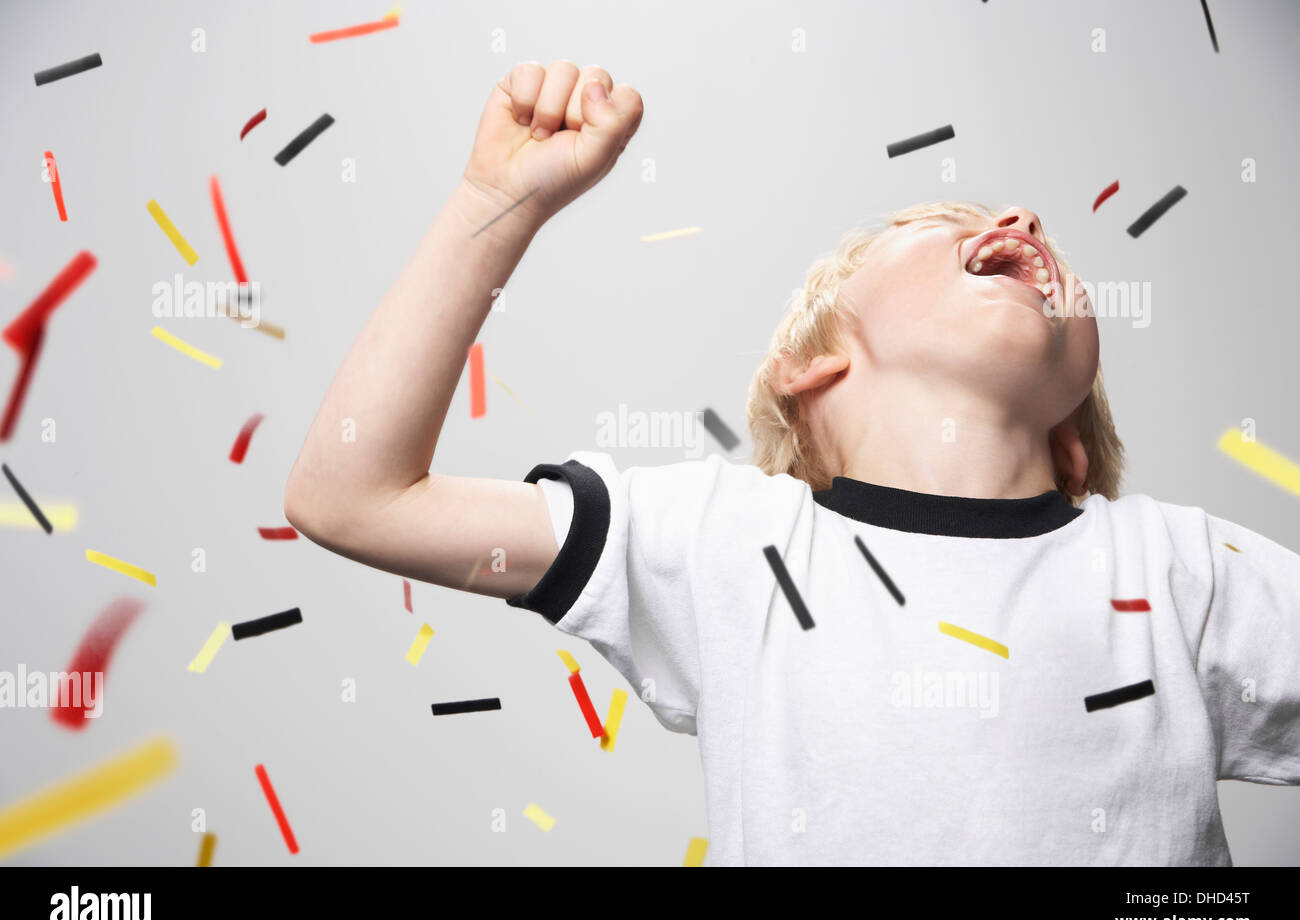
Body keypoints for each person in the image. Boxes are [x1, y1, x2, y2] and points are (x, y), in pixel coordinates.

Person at [285, 60, 1300, 865]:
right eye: (940, 225)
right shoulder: (728, 541)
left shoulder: (1176, 564)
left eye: (1043, 243)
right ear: (808, 366)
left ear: (1074, 435)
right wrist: (492, 198)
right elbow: (355, 495)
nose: (1024, 223)